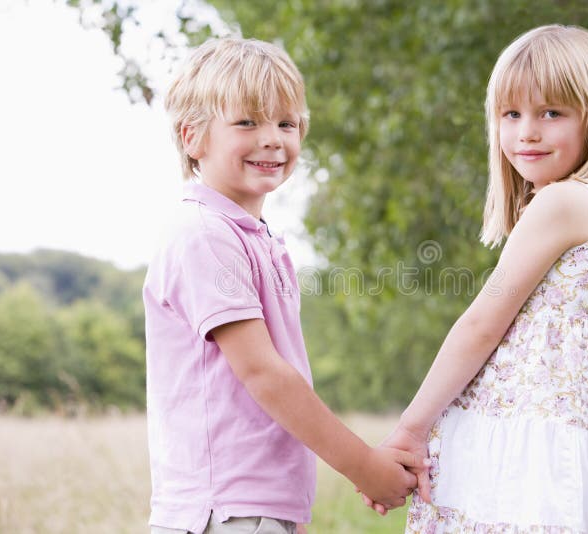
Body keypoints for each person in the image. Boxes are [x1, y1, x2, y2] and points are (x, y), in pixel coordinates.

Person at [368, 24, 588, 532]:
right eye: (511, 114)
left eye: (552, 113)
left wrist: (411, 428)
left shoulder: (563, 202)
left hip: (531, 450)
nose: (528, 132)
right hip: (556, 437)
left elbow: (481, 325)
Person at [144, 37, 427, 534]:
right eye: (247, 122)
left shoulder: (255, 237)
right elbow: (264, 374)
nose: (273, 138)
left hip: (259, 505)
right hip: (227, 508)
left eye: (286, 123)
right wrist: (364, 466)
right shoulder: (204, 234)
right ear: (193, 138)